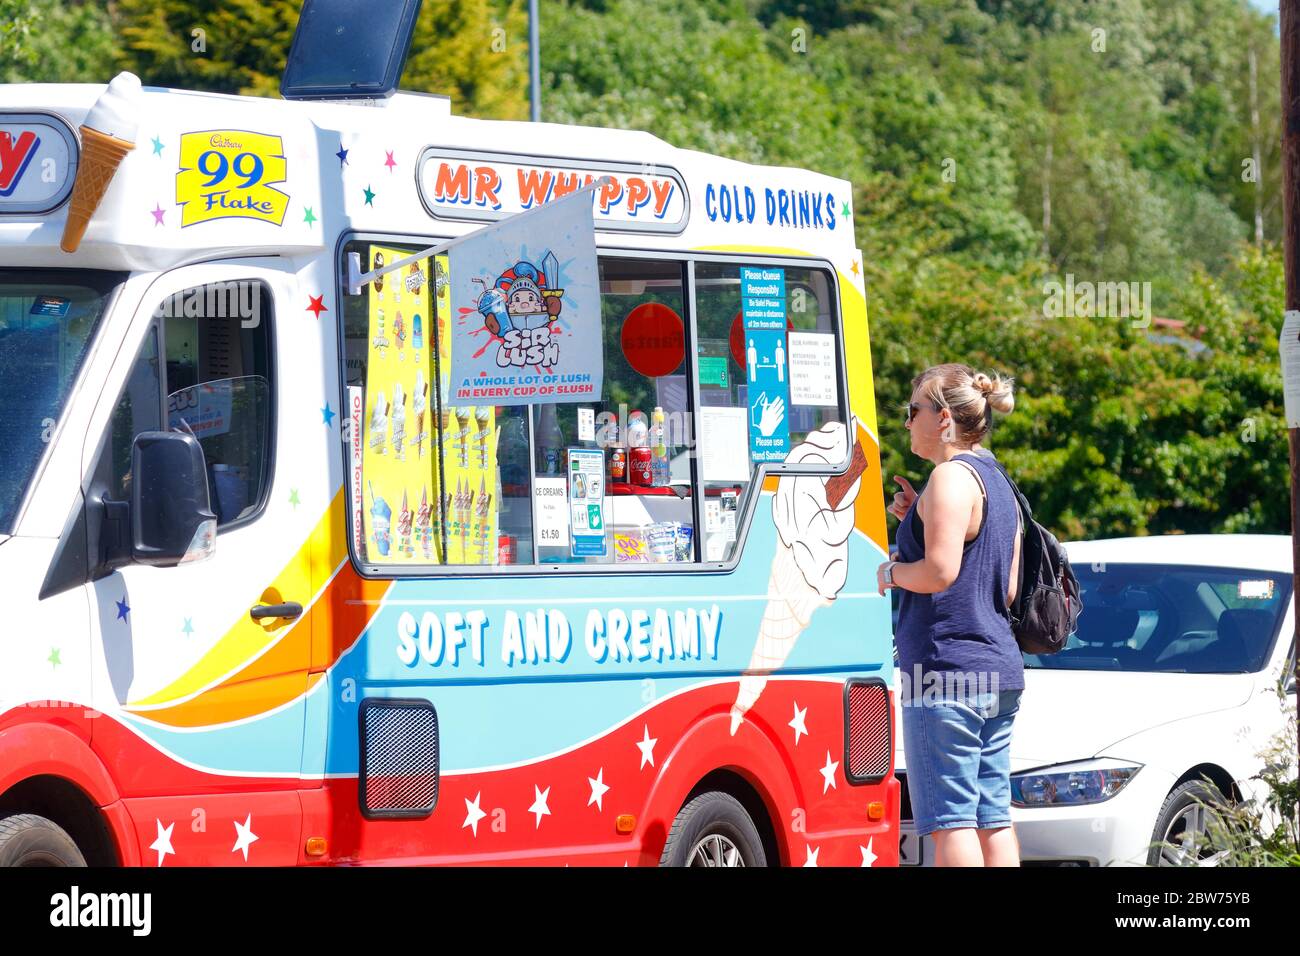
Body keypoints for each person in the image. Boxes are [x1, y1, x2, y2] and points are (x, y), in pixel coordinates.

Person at [877, 363, 1024, 867]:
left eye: (912, 410)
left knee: (950, 822)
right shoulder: (998, 480)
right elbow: (1006, 586)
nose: (906, 422)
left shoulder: (948, 477)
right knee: (993, 819)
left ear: (942, 418)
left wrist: (892, 573)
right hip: (998, 667)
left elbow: (939, 573)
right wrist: (920, 516)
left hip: (944, 672)